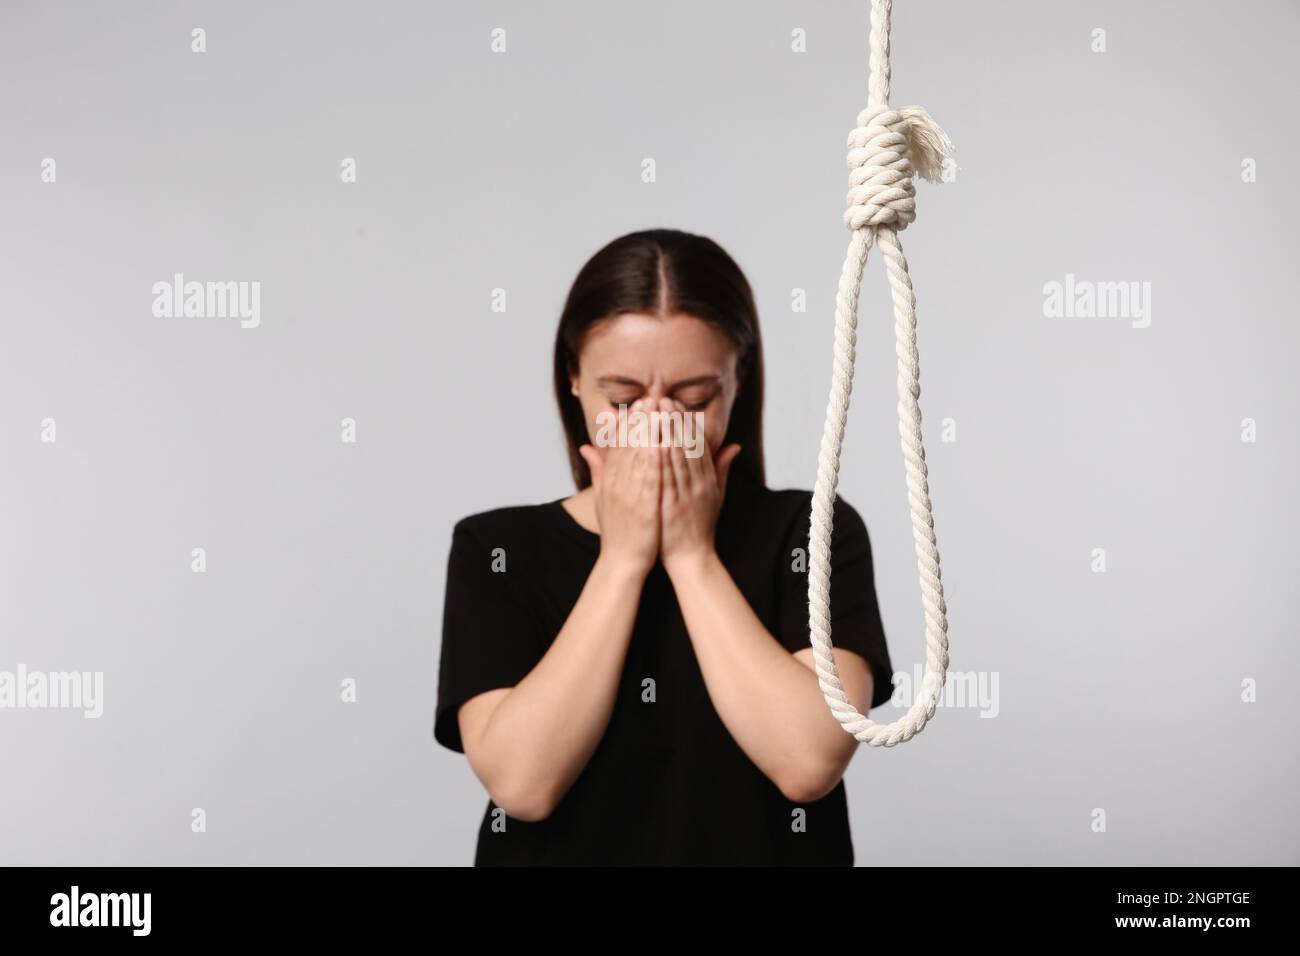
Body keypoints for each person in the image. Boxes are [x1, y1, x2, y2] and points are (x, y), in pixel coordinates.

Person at [433, 228, 895, 865]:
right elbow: (522, 785)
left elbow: (808, 761)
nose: (658, 424)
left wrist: (690, 555)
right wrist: (623, 560)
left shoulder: (814, 530)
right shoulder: (496, 548)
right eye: (622, 399)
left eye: (693, 398)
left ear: (739, 381)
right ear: (574, 379)